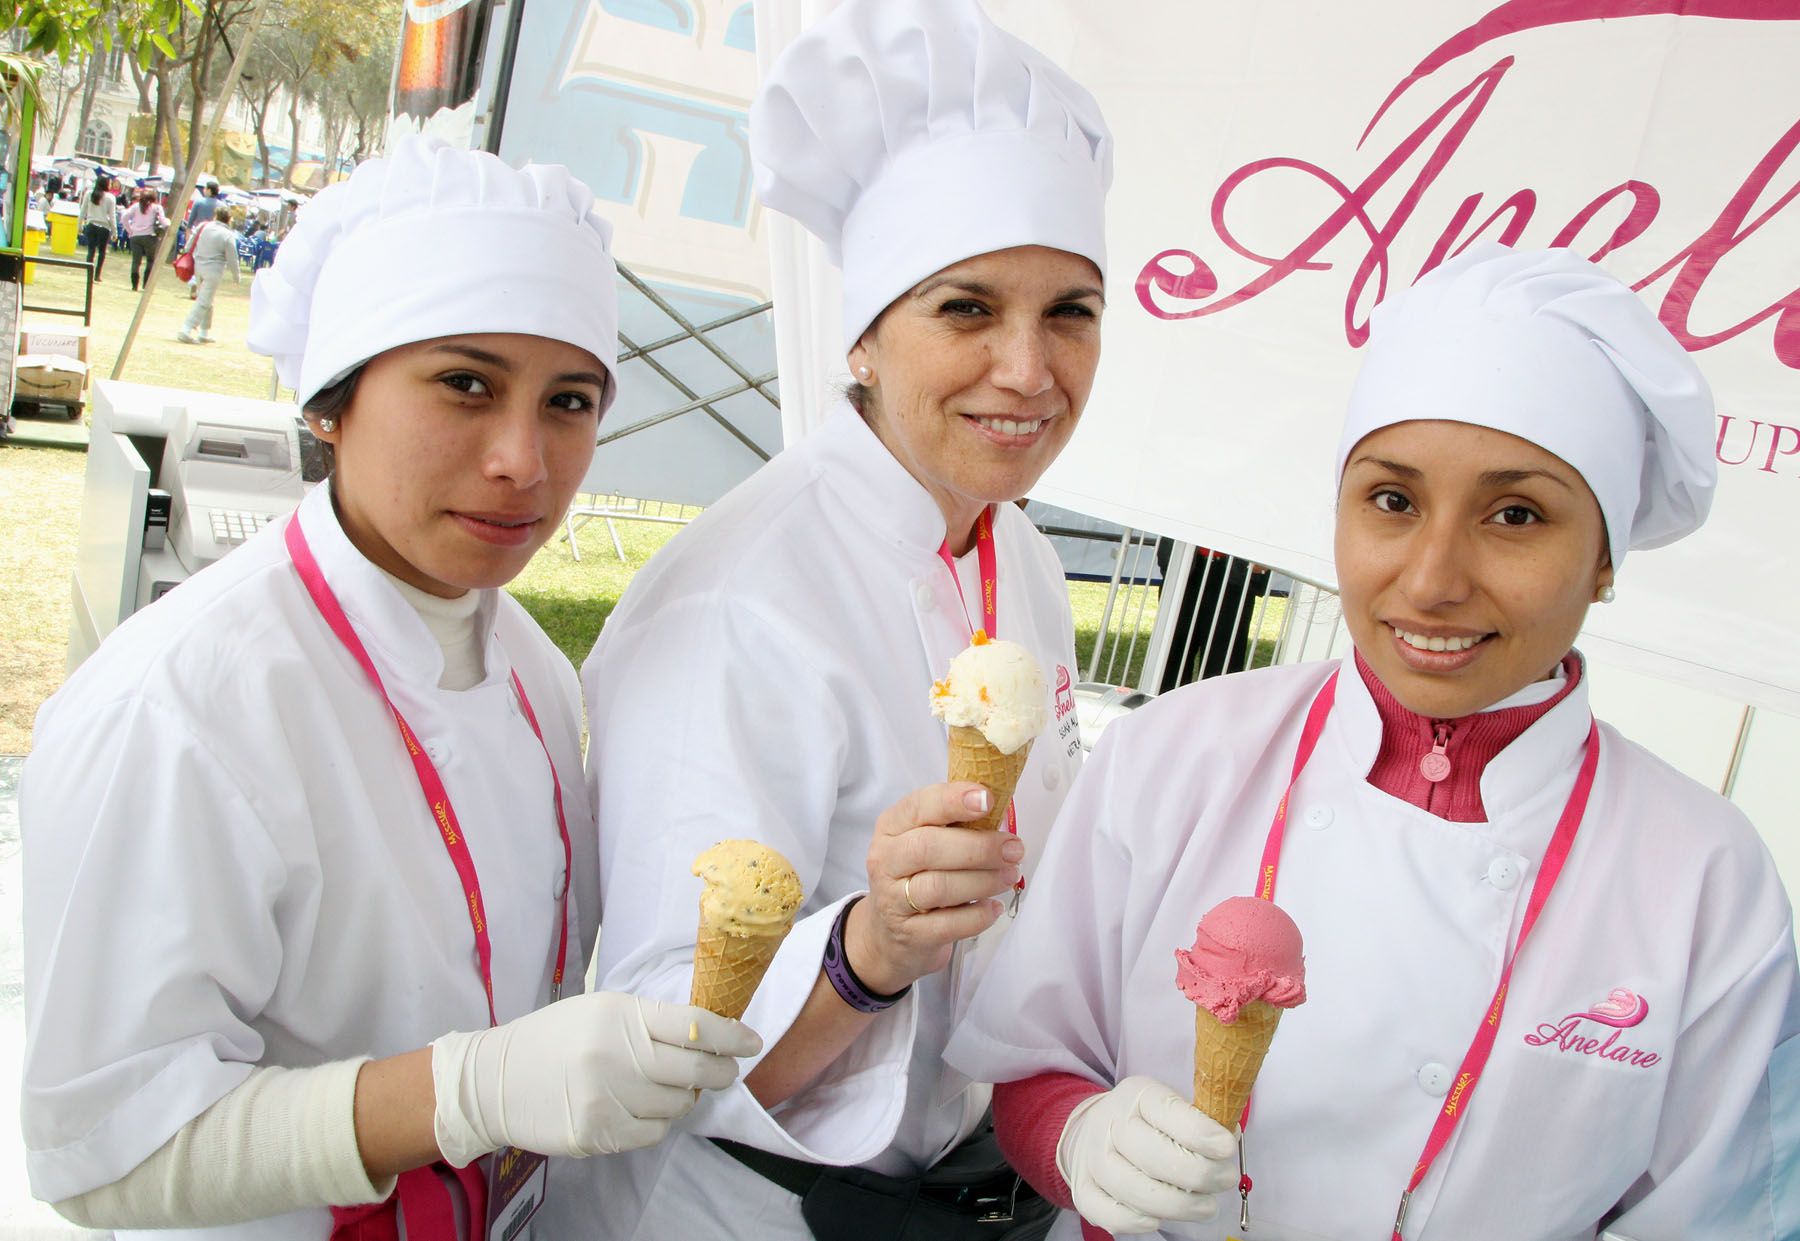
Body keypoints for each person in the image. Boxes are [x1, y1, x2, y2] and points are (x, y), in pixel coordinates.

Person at [947, 244, 1799, 1241]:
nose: (1433, 578)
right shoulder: (1178, 751)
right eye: (1391, 500)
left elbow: (1722, 1218)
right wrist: (1084, 1136)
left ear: (1605, 557)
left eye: (1515, 514)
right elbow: (1034, 1061)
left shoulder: (1705, 875)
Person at [20, 135, 759, 1241]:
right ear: (332, 401)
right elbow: (102, 1150)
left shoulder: (536, 675)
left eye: (568, 401)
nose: (524, 458)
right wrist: (465, 1092)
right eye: (465, 384)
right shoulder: (181, 708)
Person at [543, 3, 1111, 1238]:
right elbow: (658, 1037)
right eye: (967, 308)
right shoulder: (735, 602)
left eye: (1070, 310)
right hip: (737, 1210)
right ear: (861, 339)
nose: (1029, 368)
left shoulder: (1017, 550)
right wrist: (864, 947)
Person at [176, 212, 241, 343]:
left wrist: (186, 253)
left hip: (198, 266)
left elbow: (190, 243)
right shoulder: (228, 235)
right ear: (229, 219)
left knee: (206, 299)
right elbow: (232, 259)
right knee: (204, 301)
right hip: (214, 270)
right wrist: (236, 276)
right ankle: (186, 328)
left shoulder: (203, 226)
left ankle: (204, 332)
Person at [120, 185, 168, 291]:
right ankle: (146, 285)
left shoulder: (136, 206)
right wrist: (167, 224)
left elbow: (124, 218)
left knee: (136, 261)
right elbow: (163, 221)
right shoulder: (157, 207)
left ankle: (134, 284)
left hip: (135, 236)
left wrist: (130, 230)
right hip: (150, 237)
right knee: (150, 261)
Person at [80, 180, 117, 281]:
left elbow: (82, 211)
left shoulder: (89, 194)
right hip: (104, 227)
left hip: (91, 225)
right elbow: (112, 216)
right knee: (102, 252)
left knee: (90, 250)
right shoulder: (111, 197)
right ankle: (97, 274)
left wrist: (79, 225)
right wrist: (114, 232)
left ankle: (89, 274)